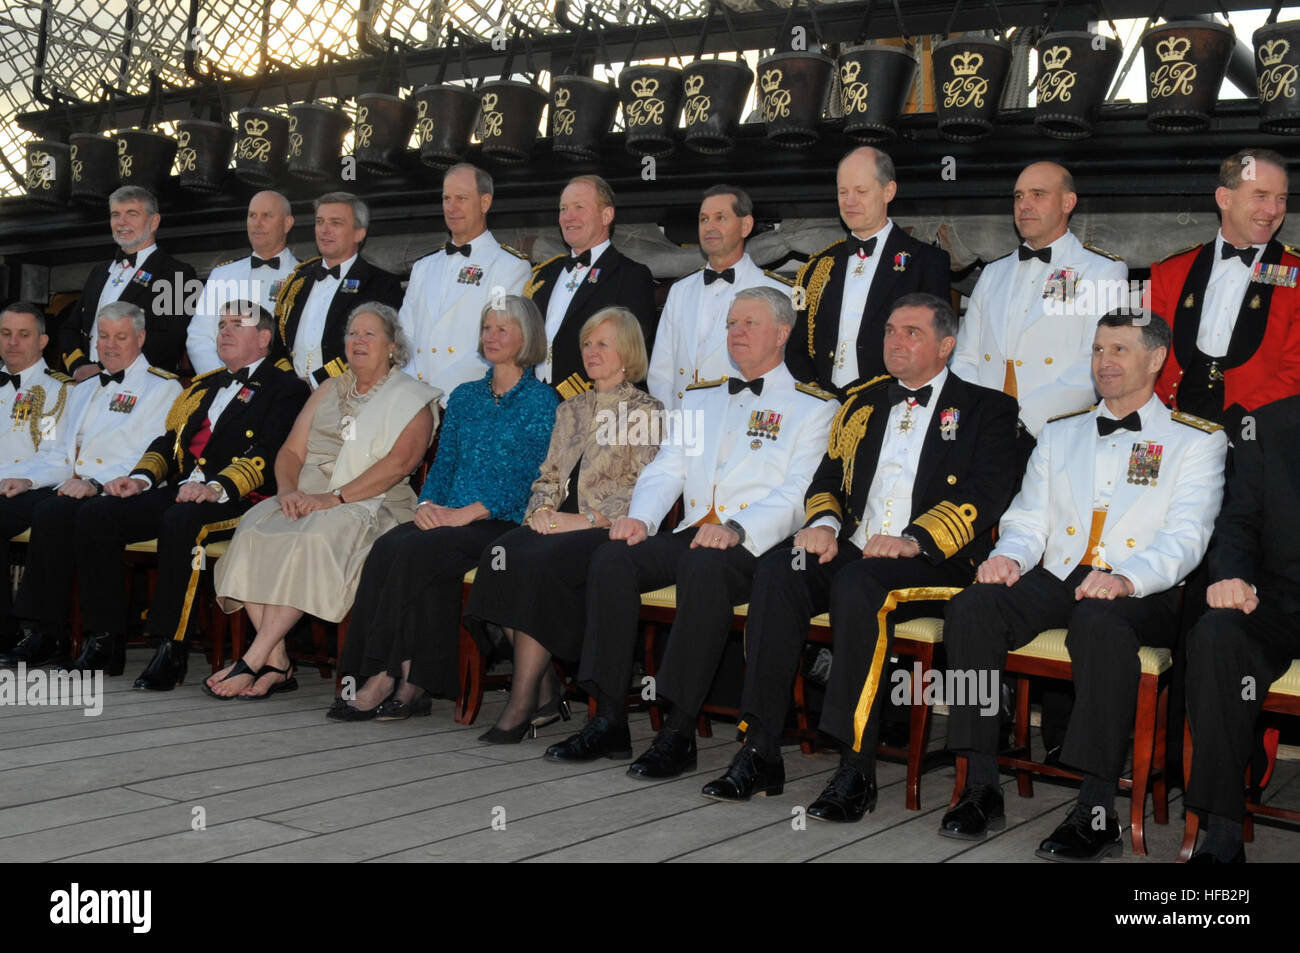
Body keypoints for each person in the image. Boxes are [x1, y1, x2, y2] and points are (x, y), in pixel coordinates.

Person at [699, 293, 1019, 817]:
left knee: (860, 585)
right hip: (856, 549)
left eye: (911, 332)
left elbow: (987, 492)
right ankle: (759, 749)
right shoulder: (862, 401)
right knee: (781, 569)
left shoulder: (989, 407)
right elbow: (828, 479)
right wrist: (823, 525)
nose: (896, 341)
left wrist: (915, 538)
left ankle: (856, 767)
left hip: (936, 559)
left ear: (946, 344)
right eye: (891, 331)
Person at [939, 311, 1227, 862]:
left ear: (1157, 358)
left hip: (1145, 591)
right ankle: (980, 784)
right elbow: (1027, 521)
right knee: (974, 607)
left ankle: (1097, 811)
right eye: (1098, 349)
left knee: (1099, 623)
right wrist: (1007, 559)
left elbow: (1188, 537)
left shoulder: (1196, 441)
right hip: (1061, 574)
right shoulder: (1061, 431)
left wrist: (1126, 579)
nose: (1105, 362)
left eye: (1120, 349)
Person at [544, 286, 839, 771]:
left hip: (757, 543)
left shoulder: (813, 405)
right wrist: (641, 516)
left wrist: (738, 530)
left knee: (705, 566)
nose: (736, 332)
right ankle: (608, 717)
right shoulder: (702, 398)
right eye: (730, 324)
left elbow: (797, 493)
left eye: (749, 323)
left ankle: (678, 730)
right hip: (695, 532)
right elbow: (668, 468)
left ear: (783, 333)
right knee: (613, 557)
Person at [330, 296, 556, 720]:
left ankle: (387, 674)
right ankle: (397, 678)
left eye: (502, 329)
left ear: (527, 338)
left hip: (500, 521)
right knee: (388, 548)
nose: (491, 336)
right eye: (487, 327)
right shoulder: (466, 396)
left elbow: (529, 478)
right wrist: (428, 504)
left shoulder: (542, 402)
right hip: (447, 516)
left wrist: (465, 514)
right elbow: (444, 461)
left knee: (419, 553)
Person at [66, 301, 306, 683]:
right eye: (222, 324)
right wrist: (141, 479)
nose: (224, 331)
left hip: (242, 497)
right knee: (99, 513)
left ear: (264, 338)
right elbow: (168, 441)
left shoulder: (286, 387)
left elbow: (270, 451)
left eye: (236, 325)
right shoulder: (203, 384)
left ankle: (170, 646)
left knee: (182, 521)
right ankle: (105, 640)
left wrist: (216, 487)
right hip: (182, 488)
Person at [209, 303, 438, 698]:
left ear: (392, 346)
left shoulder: (412, 397)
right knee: (254, 526)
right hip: (306, 496)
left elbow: (401, 463)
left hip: (372, 501)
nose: (358, 341)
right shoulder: (328, 388)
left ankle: (254, 656)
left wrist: (333, 499)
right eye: (352, 334)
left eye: (369, 334)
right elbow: (291, 451)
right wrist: (286, 492)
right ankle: (278, 660)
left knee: (311, 538)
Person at [464, 306, 663, 742]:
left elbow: (640, 488)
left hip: (604, 529)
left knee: (534, 567)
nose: (591, 352)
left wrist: (579, 520)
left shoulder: (646, 411)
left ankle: (521, 702)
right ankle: (546, 687)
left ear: (627, 353)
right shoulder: (570, 408)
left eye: (603, 344)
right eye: (587, 344)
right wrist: (539, 511)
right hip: (552, 522)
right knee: (499, 555)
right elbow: (548, 474)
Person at [0, 302, 180, 670]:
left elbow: (149, 453)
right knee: (52, 509)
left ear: (141, 338)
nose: (109, 345)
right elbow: (57, 452)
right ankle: (49, 632)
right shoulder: (80, 392)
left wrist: (96, 484)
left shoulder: (162, 387)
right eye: (103, 336)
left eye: (120, 337)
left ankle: (103, 639)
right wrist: (29, 479)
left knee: (75, 514)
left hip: (126, 489)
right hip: (75, 486)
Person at [1183, 394, 1300, 863]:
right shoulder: (1265, 426)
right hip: (1277, 599)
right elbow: (1237, 520)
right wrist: (1231, 575)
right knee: (1216, 635)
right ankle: (1223, 832)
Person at [952, 161, 1128, 440]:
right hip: (983, 431)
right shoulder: (993, 273)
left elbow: (1096, 361)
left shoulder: (1101, 271)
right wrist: (980, 414)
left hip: (1055, 431)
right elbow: (965, 357)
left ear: (1068, 202)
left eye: (1038, 194)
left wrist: (1024, 420)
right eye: (1019, 196)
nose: (1024, 205)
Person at [1152, 148, 1300, 431]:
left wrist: (1242, 419)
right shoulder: (1170, 271)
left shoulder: (1295, 273)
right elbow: (1144, 355)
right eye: (1261, 196)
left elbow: (1296, 370)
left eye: (1281, 199)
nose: (1273, 210)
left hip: (1259, 431)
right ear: (1224, 198)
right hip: (1170, 425)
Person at [789, 147, 950, 393]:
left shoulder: (925, 262)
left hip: (890, 406)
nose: (849, 201)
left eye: (861, 191)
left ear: (888, 191)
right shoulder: (817, 267)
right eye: (843, 192)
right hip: (822, 408)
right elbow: (796, 348)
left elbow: (934, 348)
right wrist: (817, 397)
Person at [647, 185, 792, 411]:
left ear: (746, 225)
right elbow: (661, 369)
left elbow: (783, 375)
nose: (709, 227)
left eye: (720, 218)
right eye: (703, 219)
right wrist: (673, 420)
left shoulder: (779, 292)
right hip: (683, 425)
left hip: (741, 426)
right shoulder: (680, 290)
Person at [398, 163, 531, 399]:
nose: (452, 207)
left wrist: (439, 396)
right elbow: (403, 334)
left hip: (468, 400)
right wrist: (412, 391)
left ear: (485, 203)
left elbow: (497, 342)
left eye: (461, 198)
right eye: (446, 198)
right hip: (413, 401)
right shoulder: (423, 267)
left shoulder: (508, 267)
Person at [523, 175, 655, 397]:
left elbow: (630, 354)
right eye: (563, 209)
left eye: (579, 207)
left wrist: (568, 395)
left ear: (606, 215)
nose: (568, 217)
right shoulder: (545, 274)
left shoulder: (630, 276)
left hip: (593, 404)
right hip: (533, 406)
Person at [59, 186, 198, 379]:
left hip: (141, 386)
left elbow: (171, 340)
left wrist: (106, 369)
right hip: (86, 384)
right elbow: (71, 328)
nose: (122, 222)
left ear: (154, 221)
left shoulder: (177, 273)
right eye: (116, 214)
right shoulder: (99, 272)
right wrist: (78, 365)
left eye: (132, 214)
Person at [0, 301, 75, 651]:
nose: (13, 342)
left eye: (23, 335)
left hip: (36, 485)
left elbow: (54, 454)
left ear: (43, 341)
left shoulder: (58, 390)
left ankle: (5, 628)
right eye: (5, 334)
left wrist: (21, 480)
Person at [276, 192, 404, 389]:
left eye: (335, 223)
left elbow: (379, 348)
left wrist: (318, 382)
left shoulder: (382, 285)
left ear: (359, 233)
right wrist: (290, 383)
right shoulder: (297, 281)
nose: (324, 230)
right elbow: (278, 340)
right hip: (292, 397)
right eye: (320, 222)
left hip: (349, 392)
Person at [187, 191, 299, 375]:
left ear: (287, 223)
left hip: (283, 388)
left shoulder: (303, 277)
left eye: (267, 216)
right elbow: (199, 337)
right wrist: (225, 379)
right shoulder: (222, 275)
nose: (257, 223)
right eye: (252, 215)